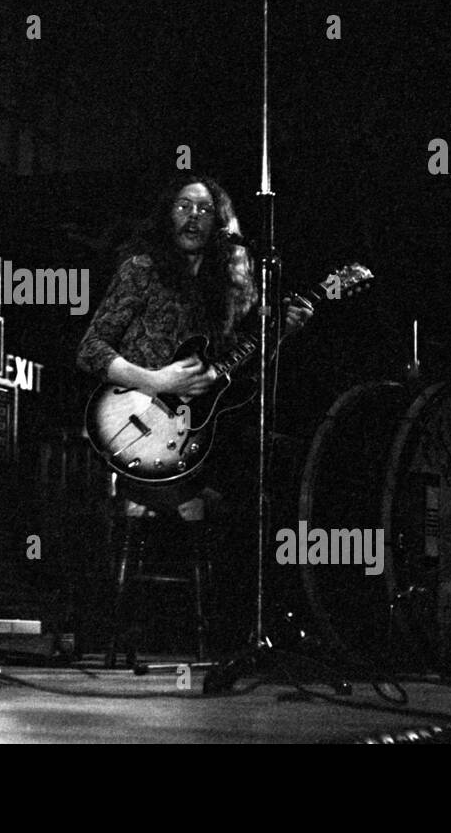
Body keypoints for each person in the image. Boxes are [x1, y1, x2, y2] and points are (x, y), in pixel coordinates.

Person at [76, 175, 313, 650]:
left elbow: (235, 373)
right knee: (210, 500)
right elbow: (90, 349)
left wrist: (278, 334)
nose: (194, 217)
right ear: (168, 214)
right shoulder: (141, 269)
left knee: (268, 475)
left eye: (205, 210)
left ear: (220, 223)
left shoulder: (231, 286)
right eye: (184, 206)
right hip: (136, 422)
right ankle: (140, 630)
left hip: (194, 433)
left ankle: (243, 636)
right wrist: (158, 380)